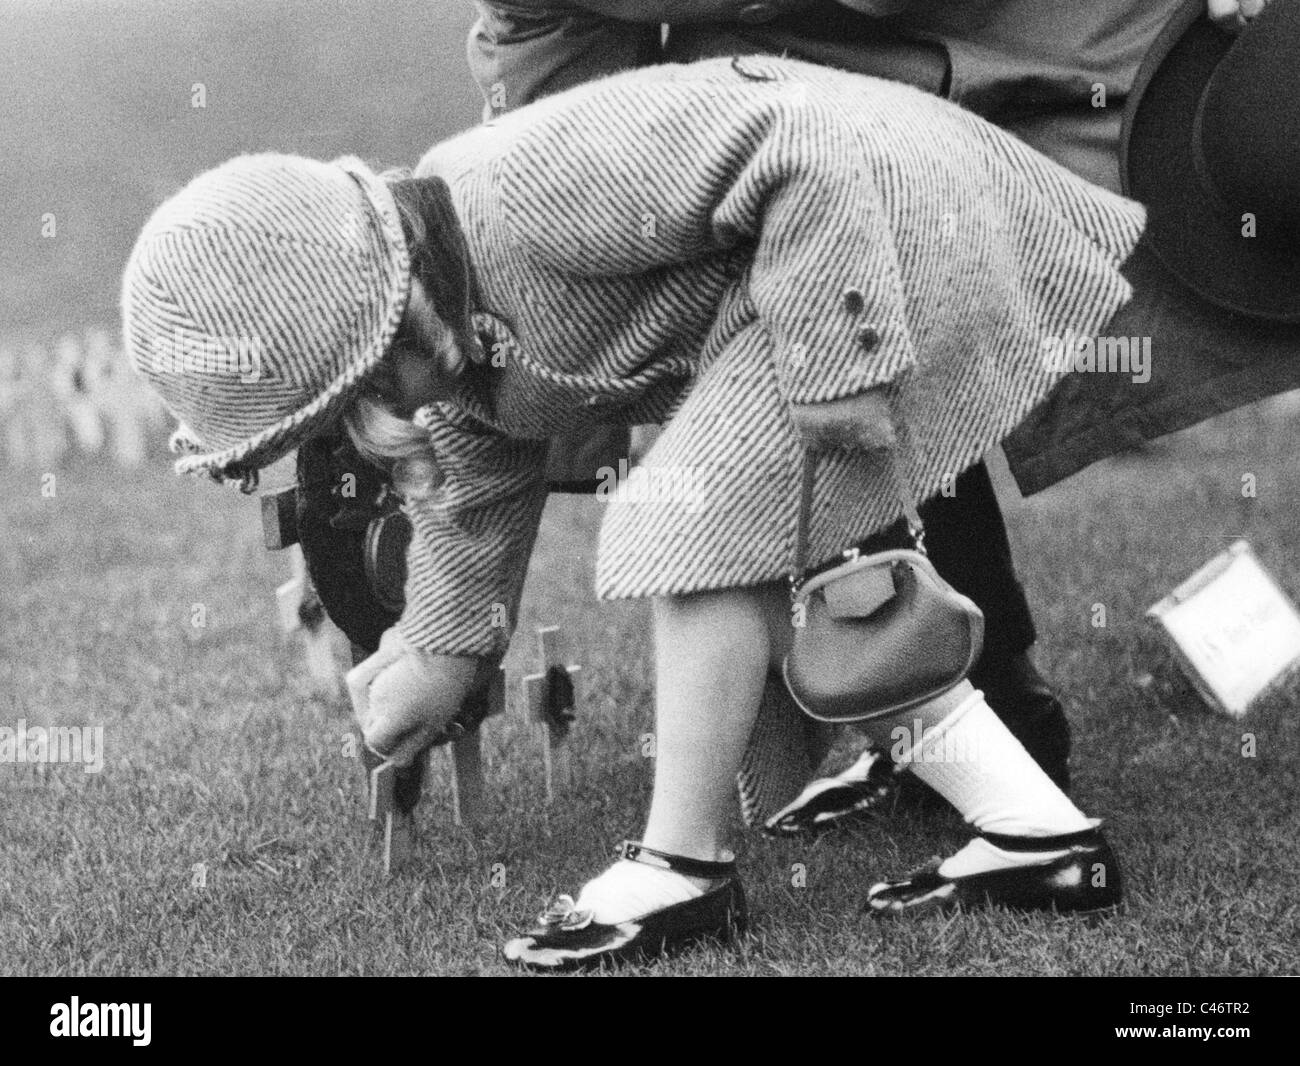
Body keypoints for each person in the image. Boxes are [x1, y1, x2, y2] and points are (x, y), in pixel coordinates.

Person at [121, 55, 1142, 968]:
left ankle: (682, 872)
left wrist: (836, 351)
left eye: (350, 397)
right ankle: (1038, 836)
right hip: (804, 277)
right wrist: (432, 653)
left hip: (883, 223)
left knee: (680, 523)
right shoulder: (466, 360)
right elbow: (473, 508)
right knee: (840, 586)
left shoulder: (523, 195)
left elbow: (806, 144)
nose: (362, 429)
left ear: (379, 314)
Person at [462, 0, 1277, 828]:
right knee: (830, 310)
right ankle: (974, 716)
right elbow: (552, 94)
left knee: (853, 301)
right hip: (836, 82)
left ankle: (1008, 789)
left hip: (1043, 53)